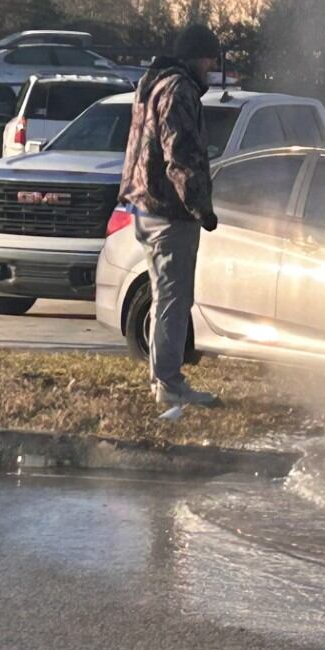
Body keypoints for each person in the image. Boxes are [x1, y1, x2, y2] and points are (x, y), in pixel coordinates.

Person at [119, 24, 222, 415]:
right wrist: (201, 207)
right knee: (173, 299)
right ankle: (169, 383)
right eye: (210, 61)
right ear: (198, 57)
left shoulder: (153, 84)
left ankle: (163, 377)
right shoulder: (179, 91)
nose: (211, 69)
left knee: (166, 295)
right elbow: (180, 154)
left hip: (145, 204)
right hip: (169, 210)